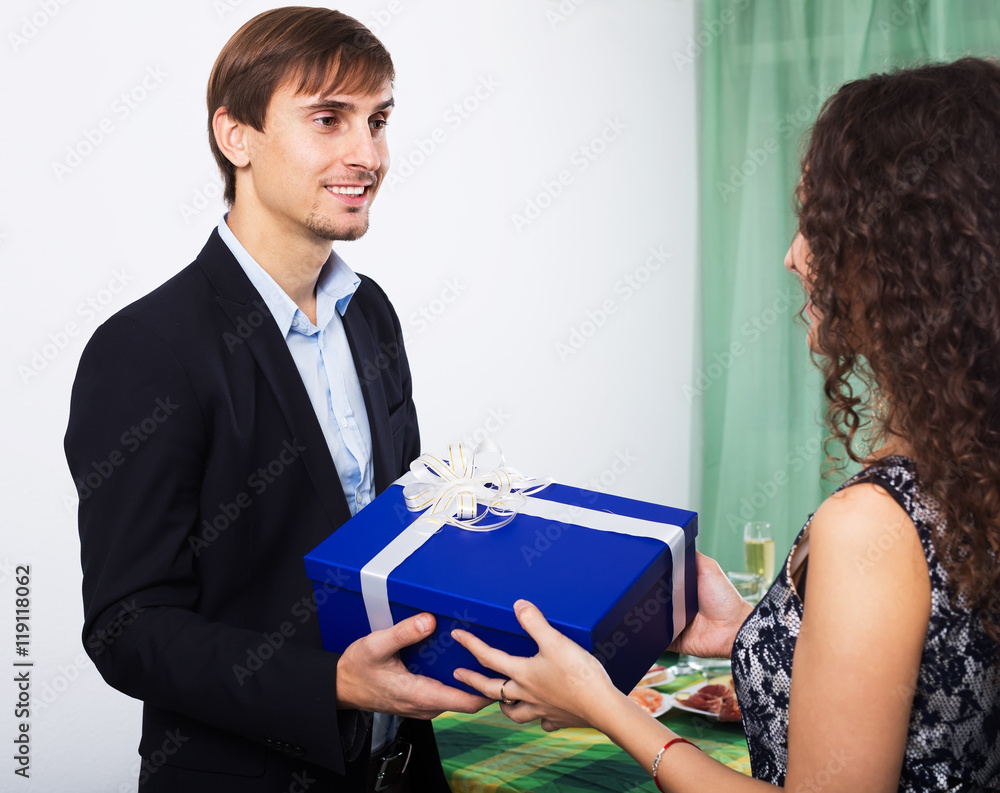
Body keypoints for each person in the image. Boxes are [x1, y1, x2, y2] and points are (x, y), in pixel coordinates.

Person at [451, 57, 1000, 792]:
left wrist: (603, 705)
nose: (792, 256)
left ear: (904, 256)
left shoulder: (871, 524)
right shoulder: (969, 470)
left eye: (818, 227)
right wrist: (748, 632)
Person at [64, 8, 487, 792]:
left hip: (409, 768)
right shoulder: (145, 349)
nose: (369, 154)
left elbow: (392, 533)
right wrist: (332, 682)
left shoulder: (372, 313)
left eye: (379, 120)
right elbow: (127, 628)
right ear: (236, 137)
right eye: (329, 119)